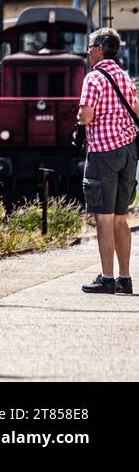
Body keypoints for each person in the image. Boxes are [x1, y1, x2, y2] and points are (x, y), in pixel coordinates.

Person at [77, 27, 138, 294]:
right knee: (121, 218)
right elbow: (136, 110)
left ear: (100, 48)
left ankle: (108, 278)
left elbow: (87, 116)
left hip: (104, 153)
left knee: (103, 218)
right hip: (128, 152)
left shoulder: (94, 78)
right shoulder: (125, 77)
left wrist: (79, 118)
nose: (88, 51)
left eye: (90, 46)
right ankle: (125, 278)